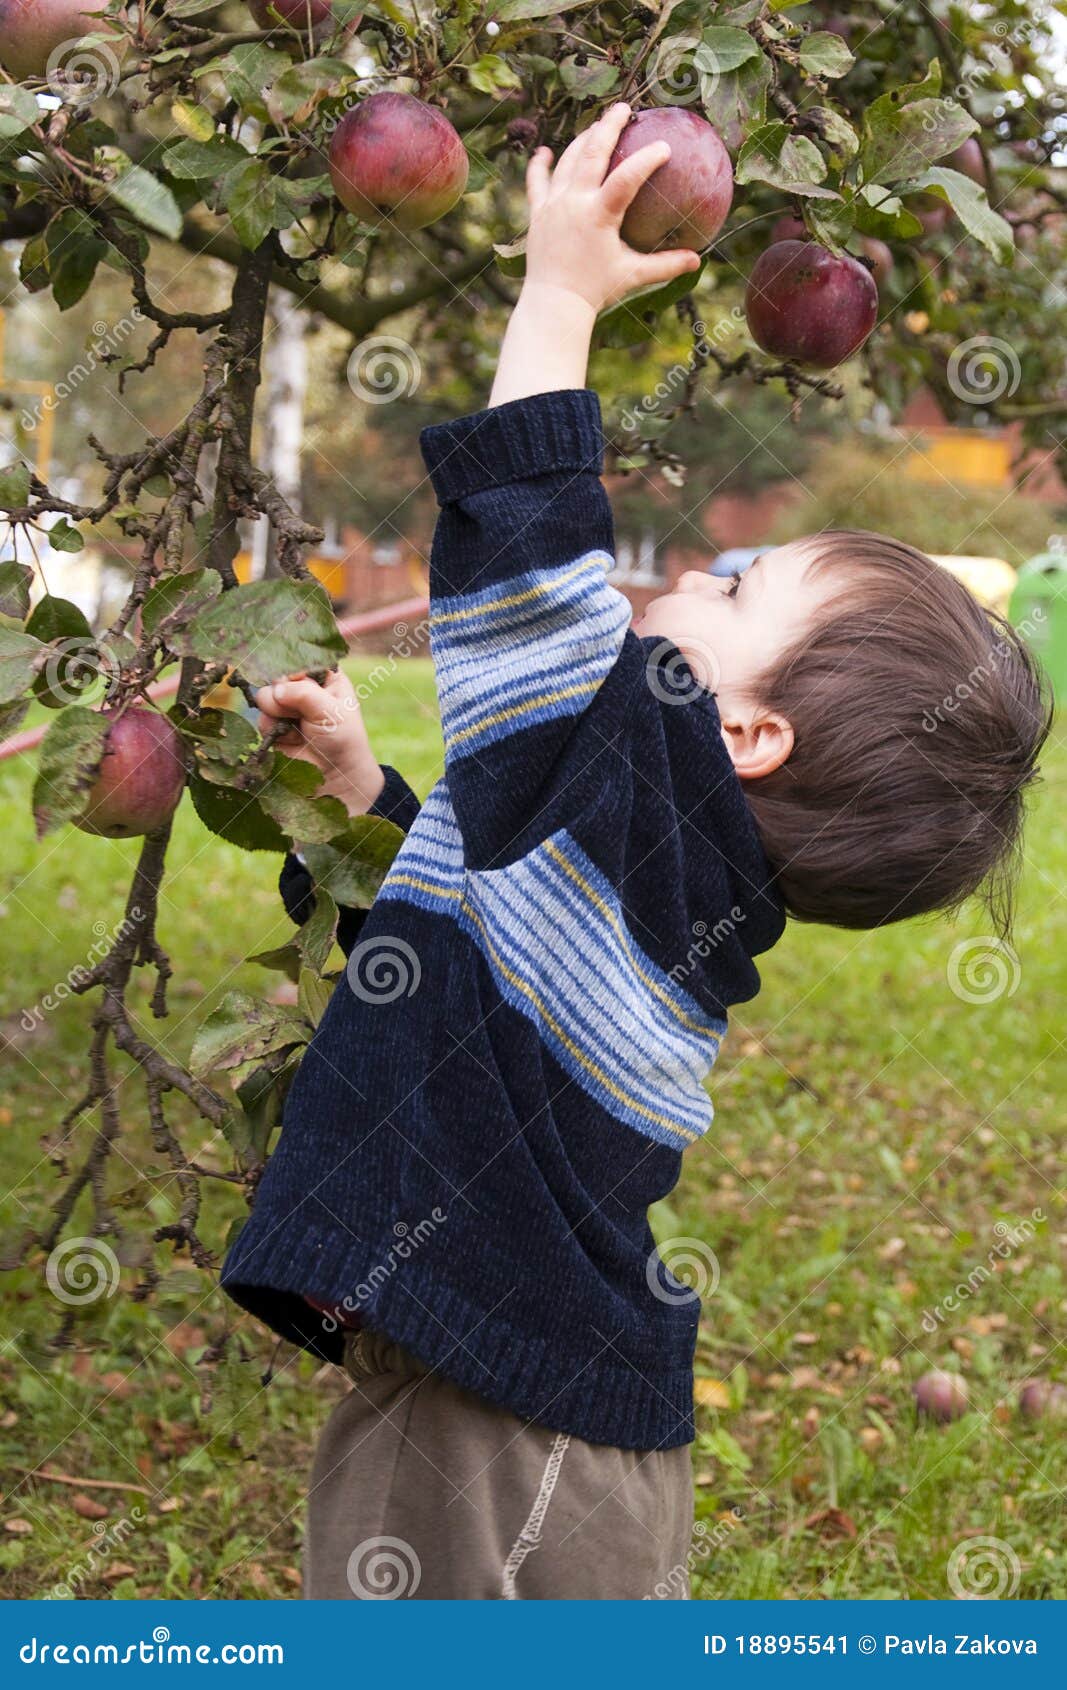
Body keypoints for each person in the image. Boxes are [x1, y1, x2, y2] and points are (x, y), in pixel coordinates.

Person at [222, 104, 1050, 1600]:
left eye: (734, 585)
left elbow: (533, 568)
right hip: (587, 1454)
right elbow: (482, 993)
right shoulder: (662, 892)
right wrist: (360, 797)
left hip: (486, 1434)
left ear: (741, 735)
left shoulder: (629, 765)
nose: (685, 582)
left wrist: (559, 294)